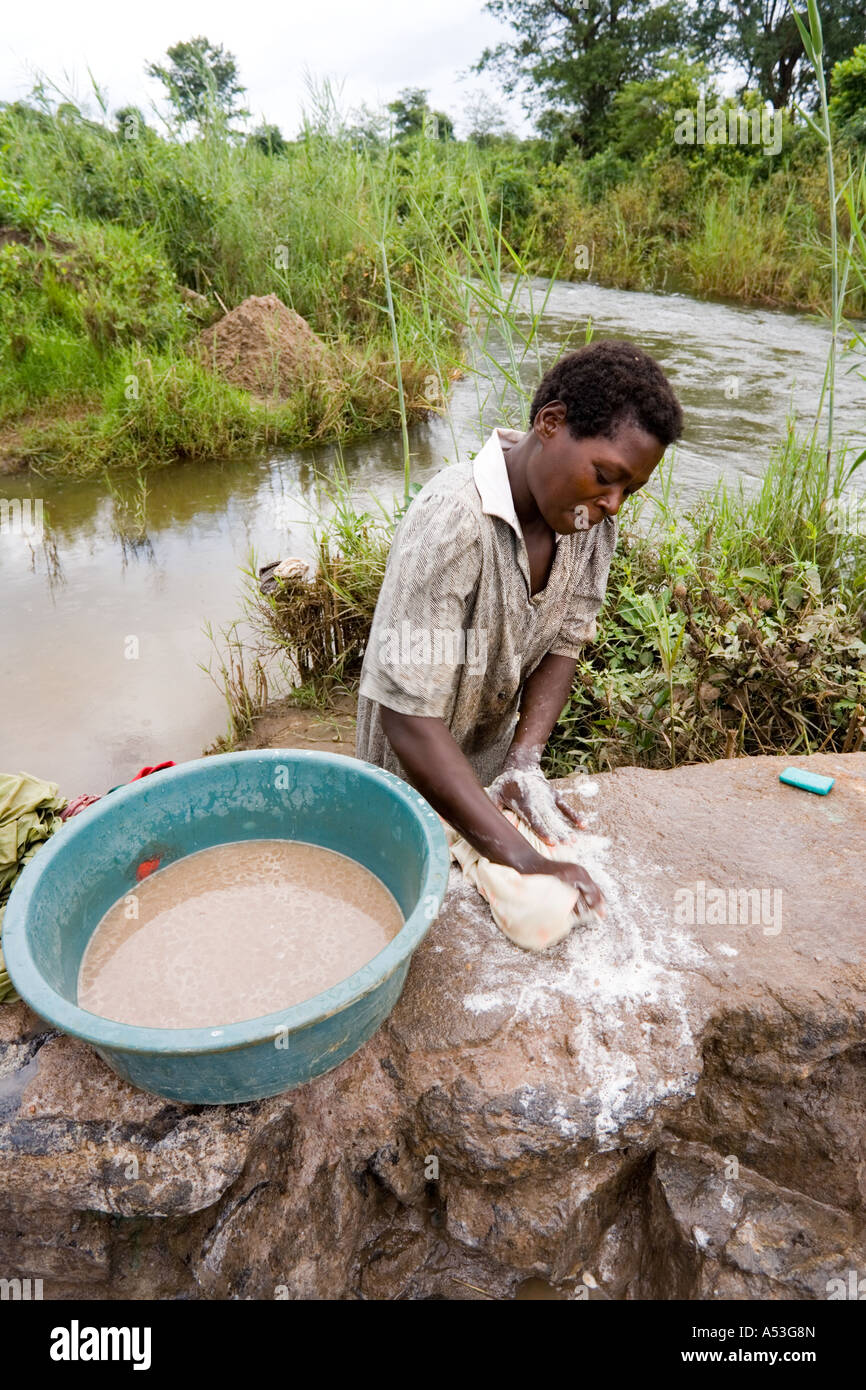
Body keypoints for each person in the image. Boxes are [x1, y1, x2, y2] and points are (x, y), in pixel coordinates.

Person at [354, 339, 684, 914]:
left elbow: (564, 641)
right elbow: (407, 718)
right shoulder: (454, 521)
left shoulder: (588, 523)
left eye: (630, 489)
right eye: (607, 475)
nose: (615, 503)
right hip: (403, 793)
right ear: (550, 423)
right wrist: (522, 857)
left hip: (486, 786)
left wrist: (522, 765)